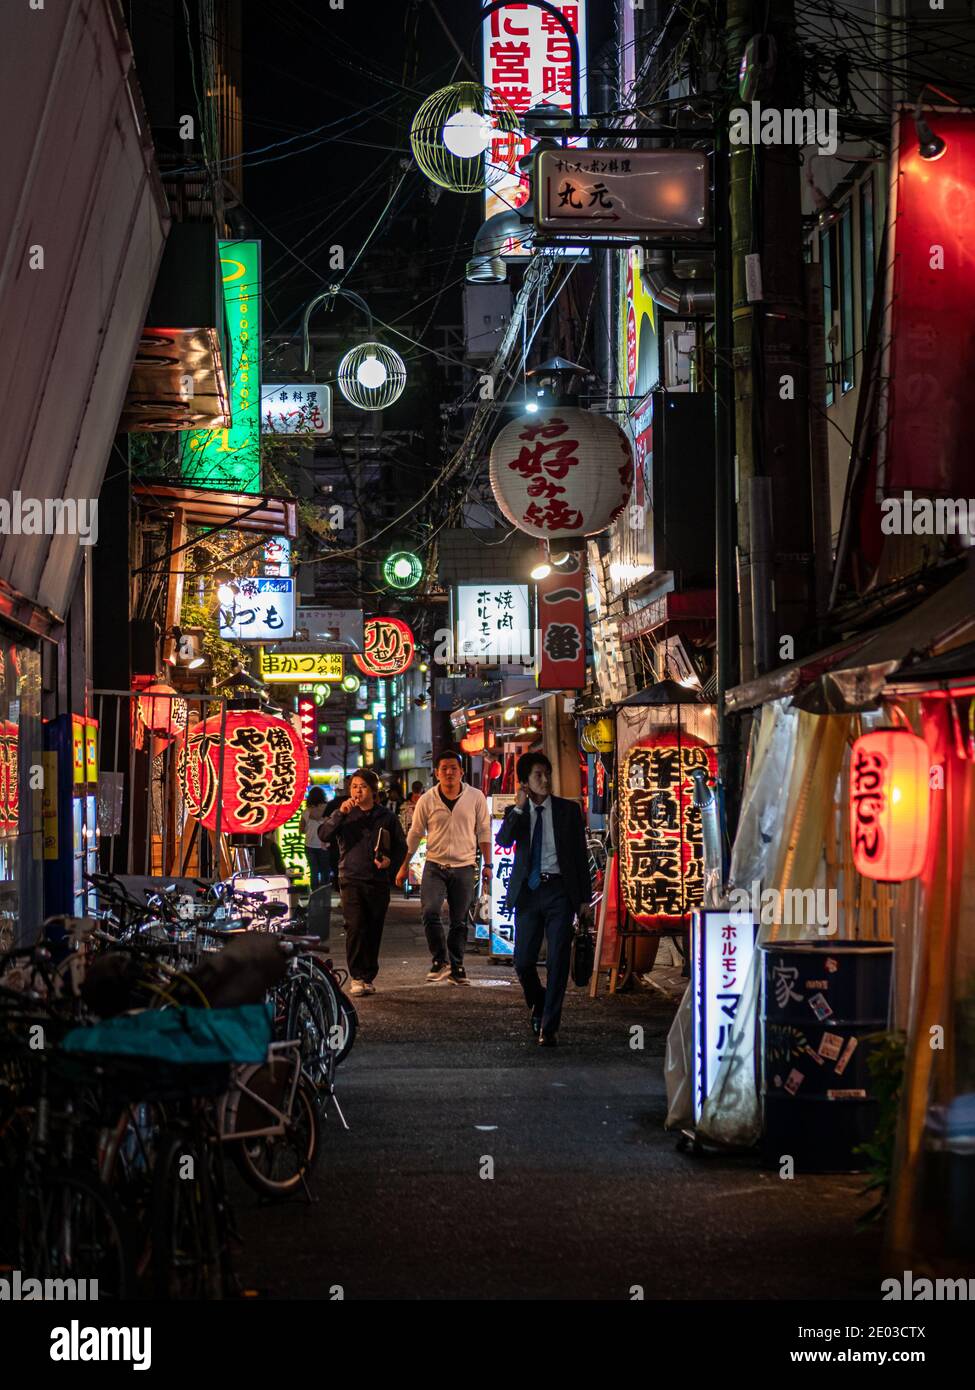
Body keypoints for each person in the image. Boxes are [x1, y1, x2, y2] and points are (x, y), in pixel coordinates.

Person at [495, 751, 593, 1047]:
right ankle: (538, 1002)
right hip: (528, 893)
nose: (545, 780)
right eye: (538, 775)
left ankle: (549, 1026)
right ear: (525, 782)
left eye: (547, 774)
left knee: (557, 960)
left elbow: (579, 856)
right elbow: (503, 841)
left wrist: (584, 899)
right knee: (523, 961)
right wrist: (520, 809)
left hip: (560, 892)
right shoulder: (519, 813)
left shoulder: (568, 811)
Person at [396, 749, 491, 986]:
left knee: (459, 920)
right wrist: (404, 865)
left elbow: (484, 831)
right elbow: (415, 833)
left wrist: (488, 864)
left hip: (465, 865)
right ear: (436, 773)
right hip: (434, 865)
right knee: (430, 912)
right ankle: (440, 960)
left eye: (453, 768)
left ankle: (457, 966)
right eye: (444, 768)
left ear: (462, 772)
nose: (449, 772)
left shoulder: (476, 797)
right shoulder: (427, 799)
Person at [318, 769, 408, 996]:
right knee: (355, 927)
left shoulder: (386, 817)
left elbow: (401, 847)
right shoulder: (344, 813)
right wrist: (340, 813)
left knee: (373, 928)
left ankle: (368, 976)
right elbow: (324, 834)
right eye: (354, 786)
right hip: (350, 877)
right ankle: (357, 976)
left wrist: (390, 861)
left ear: (374, 791)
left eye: (363, 786)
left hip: (377, 881)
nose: (358, 790)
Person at [299, 787, 330, 892]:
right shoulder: (327, 810)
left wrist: (310, 828)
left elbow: (301, 830)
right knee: (325, 871)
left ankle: (315, 895)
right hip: (324, 845)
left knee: (314, 871)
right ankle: (325, 895)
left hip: (310, 846)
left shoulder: (306, 812)